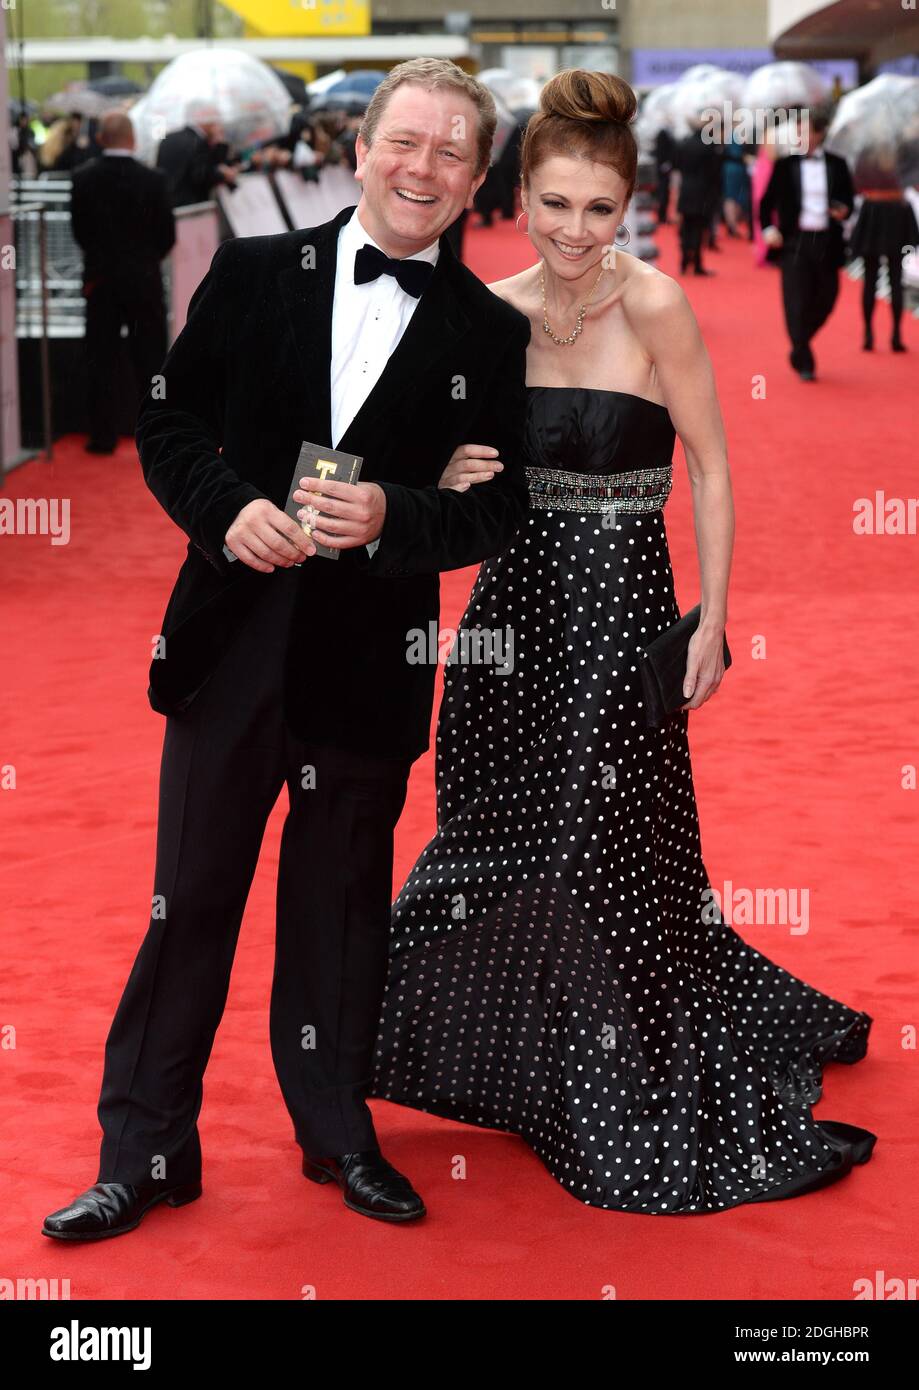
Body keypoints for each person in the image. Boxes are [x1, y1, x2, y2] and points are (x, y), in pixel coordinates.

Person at [369, 69, 876, 1214]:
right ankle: (476, 1053)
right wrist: (443, 471)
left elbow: (710, 465)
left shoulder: (654, 307)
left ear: (630, 206)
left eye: (598, 210)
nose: (573, 232)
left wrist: (717, 617)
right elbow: (436, 469)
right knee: (491, 832)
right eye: (553, 205)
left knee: (601, 844)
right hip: (512, 615)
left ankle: (617, 1069)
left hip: (621, 614)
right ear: (521, 195)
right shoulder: (487, 313)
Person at [41, 58, 530, 1241]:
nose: (422, 168)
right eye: (403, 142)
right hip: (235, 637)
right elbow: (167, 416)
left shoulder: (486, 331)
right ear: (359, 148)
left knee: (342, 909)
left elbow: (497, 507)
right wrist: (224, 508)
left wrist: (397, 517)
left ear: (474, 180)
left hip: (369, 662)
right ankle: (145, 1147)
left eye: (449, 153)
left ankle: (337, 1132)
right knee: (190, 896)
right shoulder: (256, 272)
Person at [69, 110, 176, 455]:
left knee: (99, 356)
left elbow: (80, 232)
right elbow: (167, 236)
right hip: (144, 280)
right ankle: (157, 435)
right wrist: (145, 262)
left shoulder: (83, 178)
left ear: (101, 139)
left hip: (100, 280)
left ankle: (102, 436)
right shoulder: (154, 179)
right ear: (133, 139)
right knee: (152, 359)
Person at [759, 106, 855, 381]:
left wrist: (843, 211)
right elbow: (765, 204)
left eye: (805, 131)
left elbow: (848, 200)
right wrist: (768, 229)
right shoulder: (785, 164)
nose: (799, 135)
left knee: (828, 297)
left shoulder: (838, 164)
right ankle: (803, 357)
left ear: (819, 133)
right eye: (797, 131)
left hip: (827, 240)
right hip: (794, 241)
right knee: (796, 301)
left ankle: (800, 341)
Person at [849, 151, 917, 352]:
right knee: (895, 278)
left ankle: (869, 332)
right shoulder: (903, 152)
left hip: (874, 212)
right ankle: (895, 333)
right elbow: (915, 183)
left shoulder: (867, 153)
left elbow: (857, 184)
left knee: (871, 277)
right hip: (897, 211)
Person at [155, 99, 238, 208]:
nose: (217, 123)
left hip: (168, 203)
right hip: (193, 205)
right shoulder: (198, 141)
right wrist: (222, 174)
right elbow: (201, 175)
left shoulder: (168, 138)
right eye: (214, 119)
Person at [674, 116, 722, 275]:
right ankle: (696, 264)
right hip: (703, 192)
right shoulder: (708, 146)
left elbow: (677, 165)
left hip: (686, 190)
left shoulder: (684, 143)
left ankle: (684, 261)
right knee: (699, 228)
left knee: (686, 227)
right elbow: (714, 172)